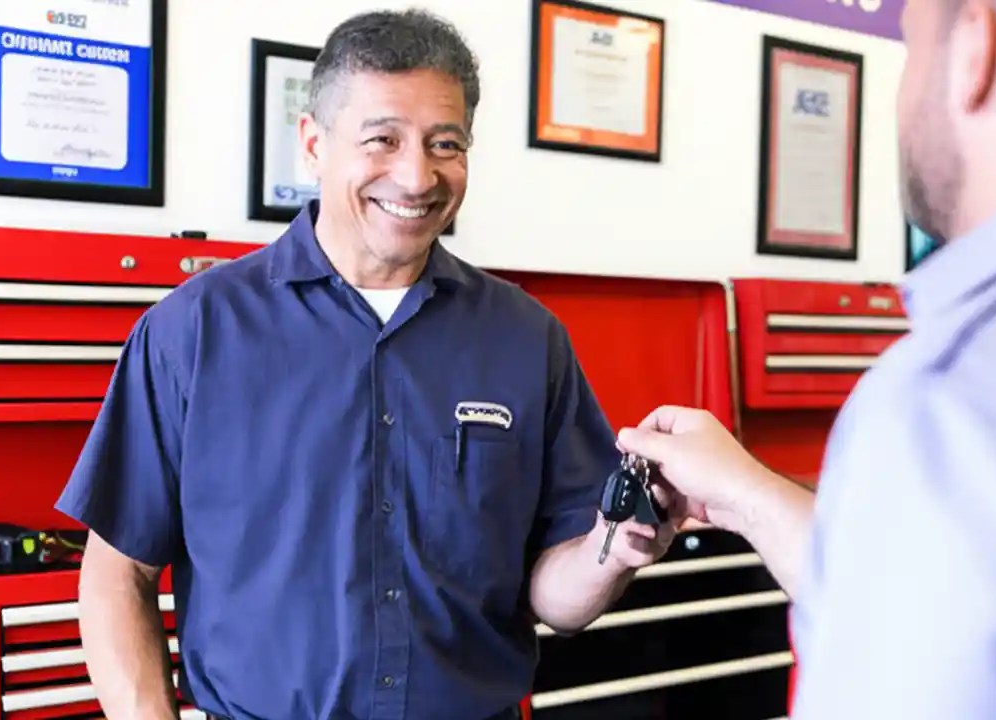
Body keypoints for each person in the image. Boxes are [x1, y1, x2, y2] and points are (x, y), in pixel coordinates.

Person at [55, 9, 683, 720]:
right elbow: (116, 574)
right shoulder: (194, 330)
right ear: (314, 145)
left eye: (445, 143)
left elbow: (554, 601)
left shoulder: (526, 338)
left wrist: (614, 547)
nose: (416, 175)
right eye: (381, 139)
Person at [618, 0, 996, 717]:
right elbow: (960, 598)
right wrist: (750, 495)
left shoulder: (968, 397)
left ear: (974, 47)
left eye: (910, 47)